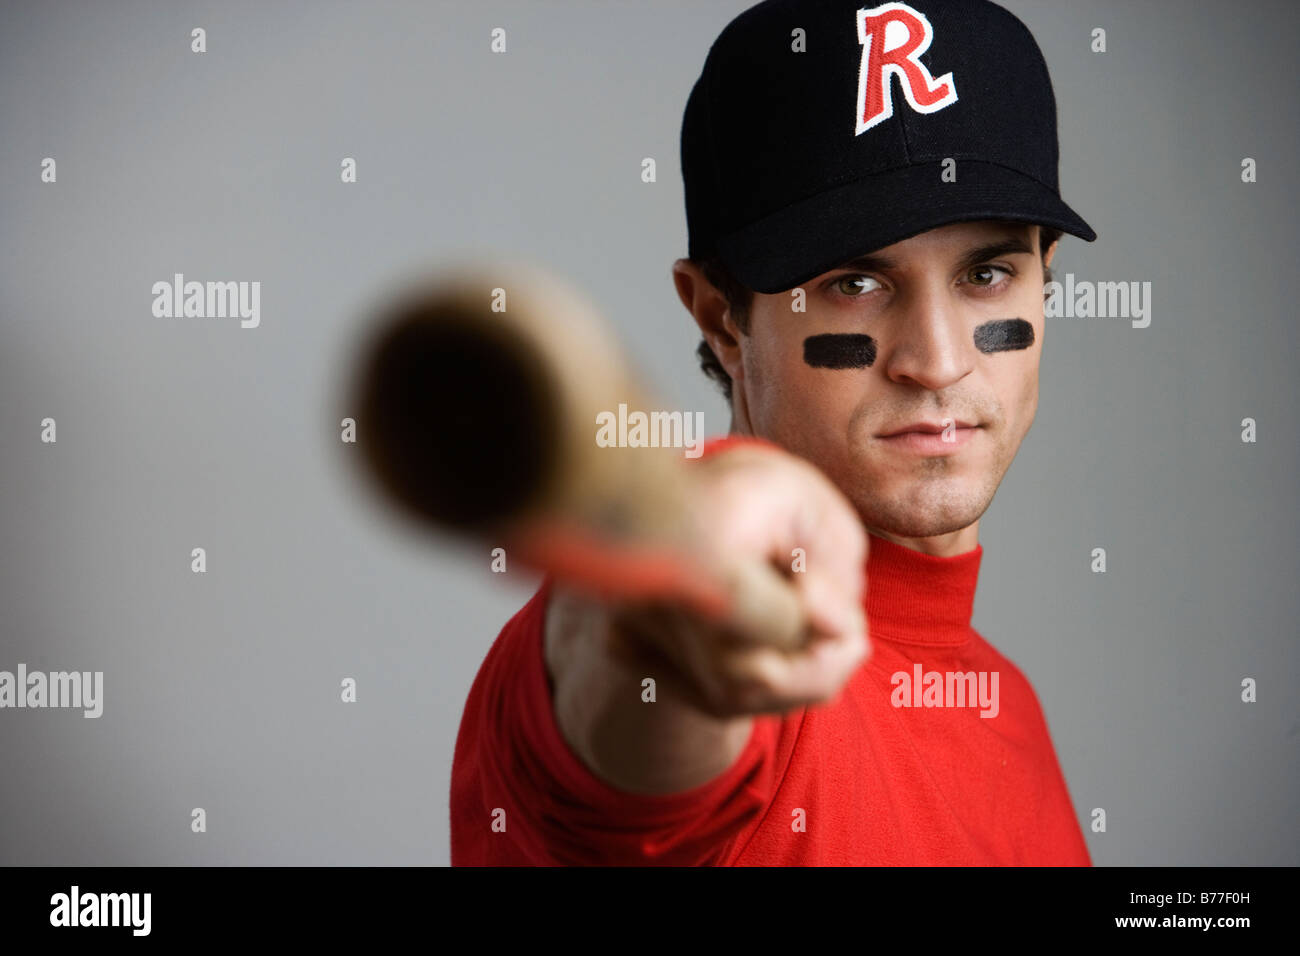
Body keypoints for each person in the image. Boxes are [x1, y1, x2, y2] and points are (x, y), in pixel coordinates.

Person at [451, 0, 1097, 865]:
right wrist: (665, 604)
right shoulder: (737, 647)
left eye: (987, 273)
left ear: (1044, 279)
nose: (938, 362)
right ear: (721, 316)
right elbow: (635, 688)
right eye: (855, 284)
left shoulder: (1008, 707)